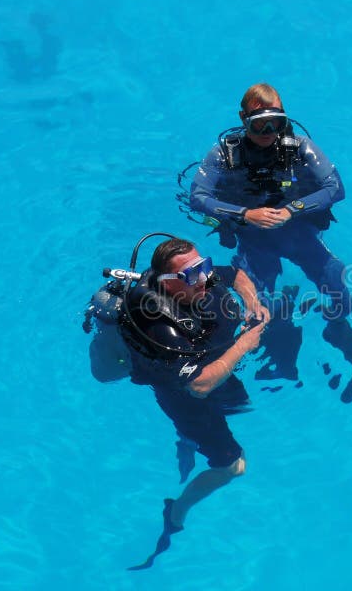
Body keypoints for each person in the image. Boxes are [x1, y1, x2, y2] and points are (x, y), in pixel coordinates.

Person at [189, 83, 352, 403]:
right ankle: (270, 363)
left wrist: (293, 209)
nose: (269, 131)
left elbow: (335, 188)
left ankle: (341, 334)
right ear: (243, 119)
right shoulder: (224, 155)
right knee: (259, 311)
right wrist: (246, 214)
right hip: (254, 241)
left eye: (276, 122)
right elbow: (198, 197)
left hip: (295, 232)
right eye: (259, 124)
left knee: (338, 286)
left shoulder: (299, 146)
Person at [116, 237, 268, 569]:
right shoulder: (159, 326)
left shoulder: (196, 275)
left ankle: (188, 439)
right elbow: (198, 386)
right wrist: (243, 345)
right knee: (233, 466)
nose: (203, 278)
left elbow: (238, 274)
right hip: (184, 395)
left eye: (203, 267)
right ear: (168, 283)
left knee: (239, 406)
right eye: (191, 274)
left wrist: (252, 304)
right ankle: (177, 510)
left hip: (215, 362)